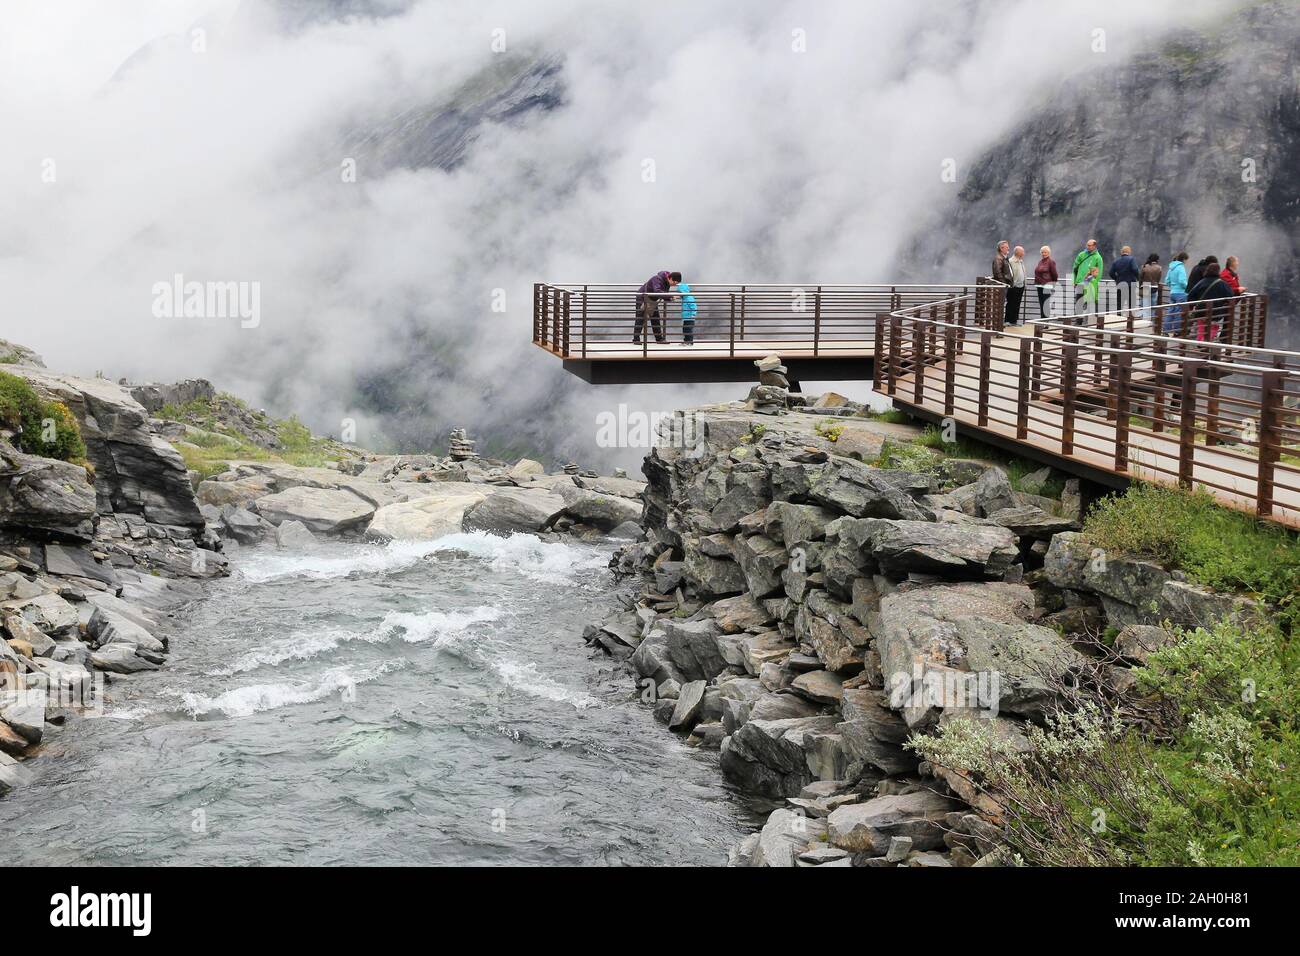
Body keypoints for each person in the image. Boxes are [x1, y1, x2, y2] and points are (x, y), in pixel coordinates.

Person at [1187, 257, 1231, 341]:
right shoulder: (1221, 283)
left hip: (1201, 311)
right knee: (1213, 327)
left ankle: (1200, 342)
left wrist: (1193, 304)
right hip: (1216, 312)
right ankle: (1206, 343)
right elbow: (1230, 295)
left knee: (1201, 327)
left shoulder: (1202, 281)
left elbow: (1191, 294)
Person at [633, 270, 680, 344]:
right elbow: (657, 291)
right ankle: (636, 339)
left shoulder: (667, 282)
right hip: (642, 298)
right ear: (670, 278)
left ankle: (659, 339)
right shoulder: (657, 279)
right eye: (674, 282)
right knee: (640, 318)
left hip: (652, 300)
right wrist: (670, 296)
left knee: (655, 319)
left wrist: (670, 298)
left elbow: (663, 294)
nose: (674, 285)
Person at [1072, 239, 1103, 318]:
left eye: (1089, 245)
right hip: (1079, 283)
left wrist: (1094, 283)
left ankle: (1089, 322)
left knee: (1090, 303)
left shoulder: (1098, 258)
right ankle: (1078, 322)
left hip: (1090, 284)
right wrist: (1074, 281)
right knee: (1078, 302)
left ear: (1094, 246)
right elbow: (1074, 268)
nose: (1087, 247)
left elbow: (1099, 273)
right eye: (1087, 245)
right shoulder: (1081, 255)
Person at [1163, 251, 1189, 335]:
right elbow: (1182, 281)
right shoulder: (1181, 268)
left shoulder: (1172, 267)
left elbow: (1167, 280)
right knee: (1179, 313)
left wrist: (1173, 287)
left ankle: (1166, 330)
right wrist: (1187, 287)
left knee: (1171, 311)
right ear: (1184, 259)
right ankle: (1177, 331)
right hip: (1180, 293)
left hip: (1172, 292)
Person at [1109, 245, 1140, 312]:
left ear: (1121, 252)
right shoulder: (1131, 259)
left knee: (1119, 302)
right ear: (1129, 252)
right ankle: (1130, 318)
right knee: (1131, 302)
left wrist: (1117, 279)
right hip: (1130, 284)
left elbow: (1111, 273)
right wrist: (1137, 278)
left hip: (1120, 284)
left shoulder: (1116, 261)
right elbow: (1135, 270)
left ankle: (1118, 317)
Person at [1034, 245, 1058, 319]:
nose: (1044, 254)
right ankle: (1042, 320)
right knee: (1041, 303)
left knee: (1046, 304)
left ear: (1049, 253)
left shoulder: (1051, 262)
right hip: (1039, 285)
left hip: (1047, 286)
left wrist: (1053, 283)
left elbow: (1055, 274)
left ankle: (1046, 322)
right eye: (1042, 252)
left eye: (1045, 252)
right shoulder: (1040, 262)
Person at [1005, 245, 1027, 325]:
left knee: (1017, 304)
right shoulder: (1011, 261)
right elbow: (1008, 274)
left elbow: (1023, 273)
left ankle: (1014, 321)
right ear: (1018, 252)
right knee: (1011, 303)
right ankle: (1008, 320)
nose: (1024, 253)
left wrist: (1025, 283)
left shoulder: (1021, 261)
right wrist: (1012, 283)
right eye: (1023, 252)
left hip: (1021, 286)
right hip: (1013, 286)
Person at [1139, 253, 1162, 319]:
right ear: (1157, 260)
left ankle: (1144, 321)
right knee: (1153, 307)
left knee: (1145, 307)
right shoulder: (1159, 268)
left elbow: (1140, 278)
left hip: (1145, 287)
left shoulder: (1144, 267)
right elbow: (1158, 279)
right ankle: (1151, 322)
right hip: (1154, 288)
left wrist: (1140, 286)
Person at [677, 280, 698, 345]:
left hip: (690, 317)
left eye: (680, 292)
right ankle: (686, 341)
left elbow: (694, 306)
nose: (679, 293)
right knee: (685, 329)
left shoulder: (689, 298)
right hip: (686, 317)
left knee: (688, 329)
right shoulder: (685, 297)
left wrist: (693, 314)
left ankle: (689, 342)